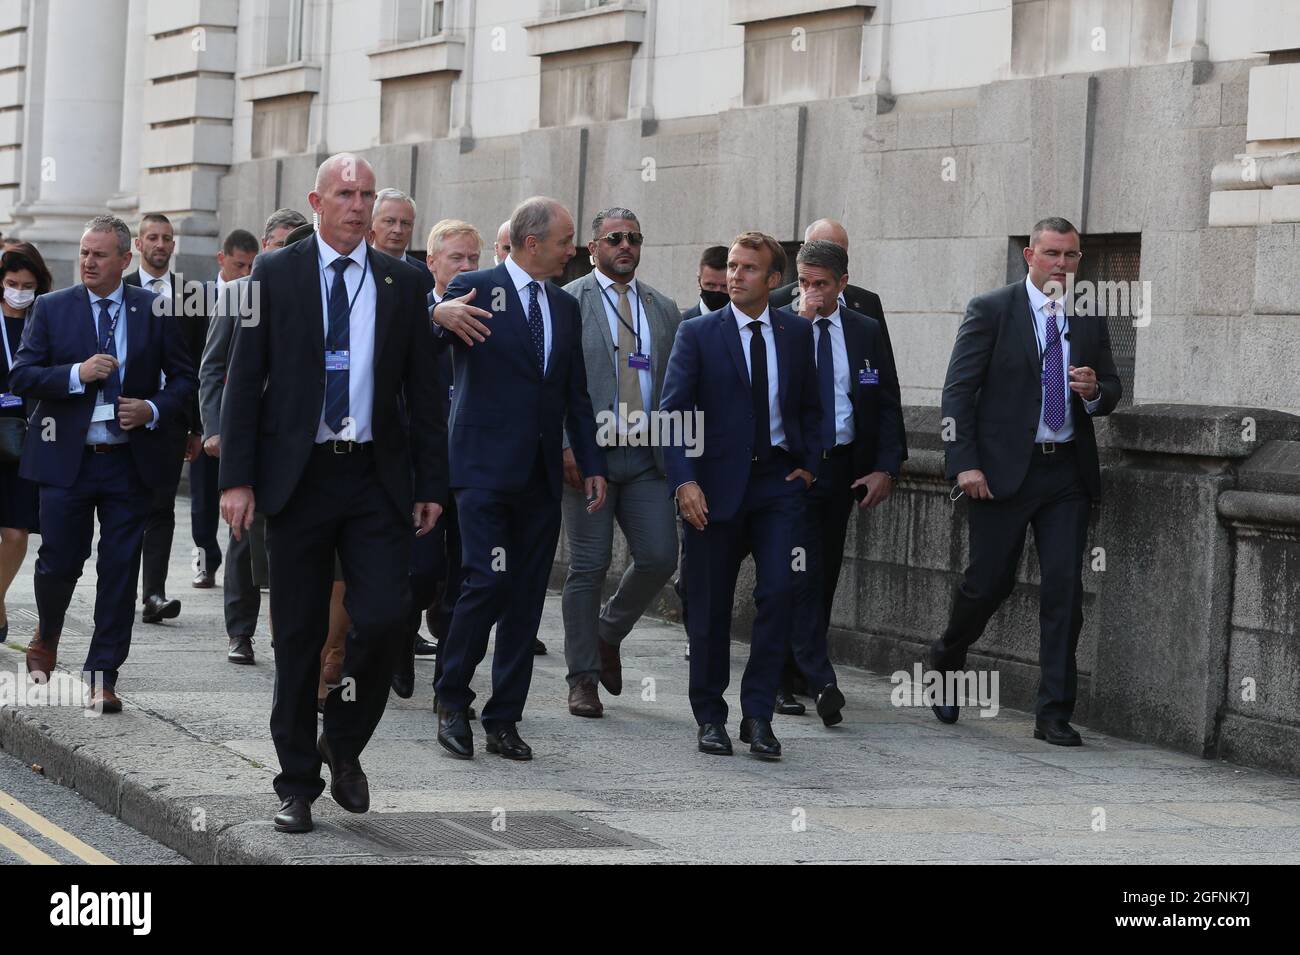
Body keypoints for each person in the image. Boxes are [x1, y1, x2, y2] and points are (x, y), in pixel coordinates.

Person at [219, 154, 446, 833]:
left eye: (366, 194)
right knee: (297, 634)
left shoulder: (402, 282)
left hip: (376, 478)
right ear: (317, 200)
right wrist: (236, 478)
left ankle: (341, 742)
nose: (358, 205)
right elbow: (244, 377)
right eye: (346, 193)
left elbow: (424, 393)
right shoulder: (277, 272)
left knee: (382, 619)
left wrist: (431, 481)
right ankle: (295, 781)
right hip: (300, 477)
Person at [431, 196, 606, 762]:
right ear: (532, 243)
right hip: (481, 470)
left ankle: (503, 717)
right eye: (566, 239)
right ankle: (451, 700)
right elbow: (418, 344)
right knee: (485, 581)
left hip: (540, 477)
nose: (573, 249)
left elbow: (574, 393)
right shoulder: (474, 285)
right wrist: (436, 315)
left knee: (527, 596)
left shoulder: (564, 305)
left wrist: (592, 462)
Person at [933, 216, 1121, 746]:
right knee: (989, 582)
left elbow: (1112, 388)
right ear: (1030, 256)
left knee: (1064, 588)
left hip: (1066, 472)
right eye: (1053, 254)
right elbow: (957, 393)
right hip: (1000, 472)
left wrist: (1092, 392)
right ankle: (946, 662)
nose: (1062, 264)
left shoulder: (1087, 315)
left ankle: (1053, 713)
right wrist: (964, 463)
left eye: (1071, 256)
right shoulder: (992, 310)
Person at [10, 215, 195, 712]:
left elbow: (184, 379)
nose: (87, 262)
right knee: (59, 562)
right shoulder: (52, 308)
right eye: (83, 253)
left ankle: (103, 673)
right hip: (66, 459)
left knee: (119, 570)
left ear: (124, 259)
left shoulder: (155, 308)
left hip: (128, 463)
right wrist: (77, 373)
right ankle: (47, 634)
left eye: (99, 254)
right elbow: (23, 375)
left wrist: (152, 408)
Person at [660, 231, 822, 760]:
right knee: (707, 607)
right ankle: (710, 715)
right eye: (731, 267)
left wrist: (809, 467)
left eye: (748, 269)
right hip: (711, 488)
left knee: (778, 594)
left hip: (777, 486)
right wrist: (684, 482)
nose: (735, 276)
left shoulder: (797, 334)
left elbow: (812, 408)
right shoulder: (698, 333)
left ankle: (758, 715)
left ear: (775, 280)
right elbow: (673, 415)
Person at [777, 240, 905, 727]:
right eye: (804, 283)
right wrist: (800, 329)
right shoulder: (780, 320)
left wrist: (886, 467)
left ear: (842, 285)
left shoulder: (864, 329)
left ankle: (796, 674)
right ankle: (817, 675)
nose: (810, 293)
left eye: (821, 285)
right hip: (791, 467)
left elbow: (885, 397)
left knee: (823, 571)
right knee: (794, 571)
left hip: (842, 466)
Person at [559, 207, 681, 717]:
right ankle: (582, 676)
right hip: (590, 458)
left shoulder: (662, 307)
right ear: (594, 248)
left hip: (648, 455)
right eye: (614, 238)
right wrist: (567, 443)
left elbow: (677, 384)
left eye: (633, 237)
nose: (625, 246)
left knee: (659, 557)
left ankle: (607, 632)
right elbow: (555, 381)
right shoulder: (569, 302)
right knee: (589, 566)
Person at [199, 211, 306, 664]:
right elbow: (213, 367)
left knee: (294, 542)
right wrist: (216, 429)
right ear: (265, 248)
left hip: (296, 440)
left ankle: (292, 632)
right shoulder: (240, 295)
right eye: (278, 244)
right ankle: (240, 631)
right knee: (243, 539)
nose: (284, 253)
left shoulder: (313, 296)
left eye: (293, 245)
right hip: (247, 437)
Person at [392, 217, 484, 700]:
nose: (467, 266)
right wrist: (434, 318)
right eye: (457, 258)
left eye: (474, 258)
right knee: (419, 570)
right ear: (432, 263)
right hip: (418, 461)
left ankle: (451, 678)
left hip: (470, 465)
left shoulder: (491, 311)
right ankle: (402, 641)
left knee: (464, 574)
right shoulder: (410, 307)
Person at [125, 213, 206, 625]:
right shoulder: (121, 291)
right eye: (153, 237)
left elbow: (196, 365)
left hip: (170, 418)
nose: (161, 244)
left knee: (162, 506)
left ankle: (153, 593)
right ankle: (120, 585)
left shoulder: (192, 295)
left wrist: (195, 426)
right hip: (123, 416)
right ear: (138, 245)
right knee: (124, 505)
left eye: (167, 238)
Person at [190, 229, 256, 591]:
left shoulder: (264, 294)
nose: (245, 271)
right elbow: (199, 363)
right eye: (238, 264)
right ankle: (203, 561)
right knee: (202, 502)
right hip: (208, 418)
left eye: (251, 265)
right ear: (222, 260)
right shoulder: (199, 296)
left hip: (247, 422)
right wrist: (200, 423)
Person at [0, 243, 53, 644]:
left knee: (17, 532)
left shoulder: (46, 319)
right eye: (12, 283)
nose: (19, 291)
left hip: (24, 437)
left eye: (28, 285)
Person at [369, 187, 433, 292]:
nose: (398, 230)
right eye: (389, 221)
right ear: (371, 222)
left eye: (405, 223)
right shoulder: (357, 268)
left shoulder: (426, 274)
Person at [682, 245, 729, 320]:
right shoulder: (680, 322)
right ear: (699, 280)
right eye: (710, 285)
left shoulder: (748, 323)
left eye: (724, 286)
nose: (717, 290)